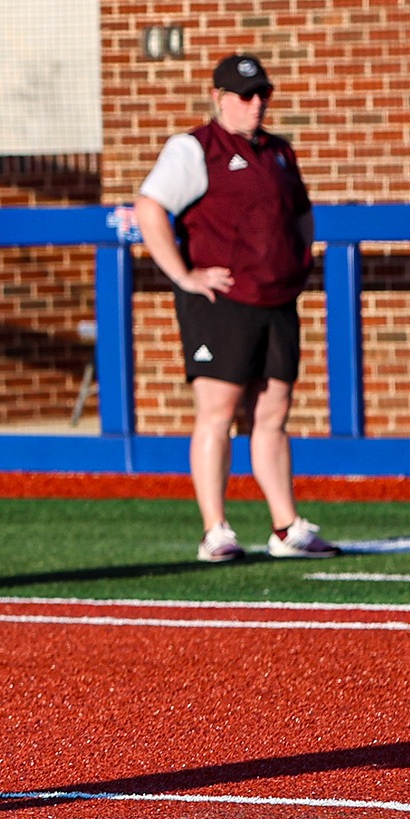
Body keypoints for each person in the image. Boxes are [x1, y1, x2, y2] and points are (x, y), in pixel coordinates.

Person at [134, 54, 339, 564]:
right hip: (221, 303)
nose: (256, 105)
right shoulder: (194, 149)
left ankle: (286, 526)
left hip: (276, 301)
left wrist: (299, 264)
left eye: (261, 95)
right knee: (218, 412)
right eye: (245, 96)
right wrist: (183, 274)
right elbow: (149, 207)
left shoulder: (279, 153)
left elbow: (301, 214)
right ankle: (215, 530)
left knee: (272, 414)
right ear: (219, 98)